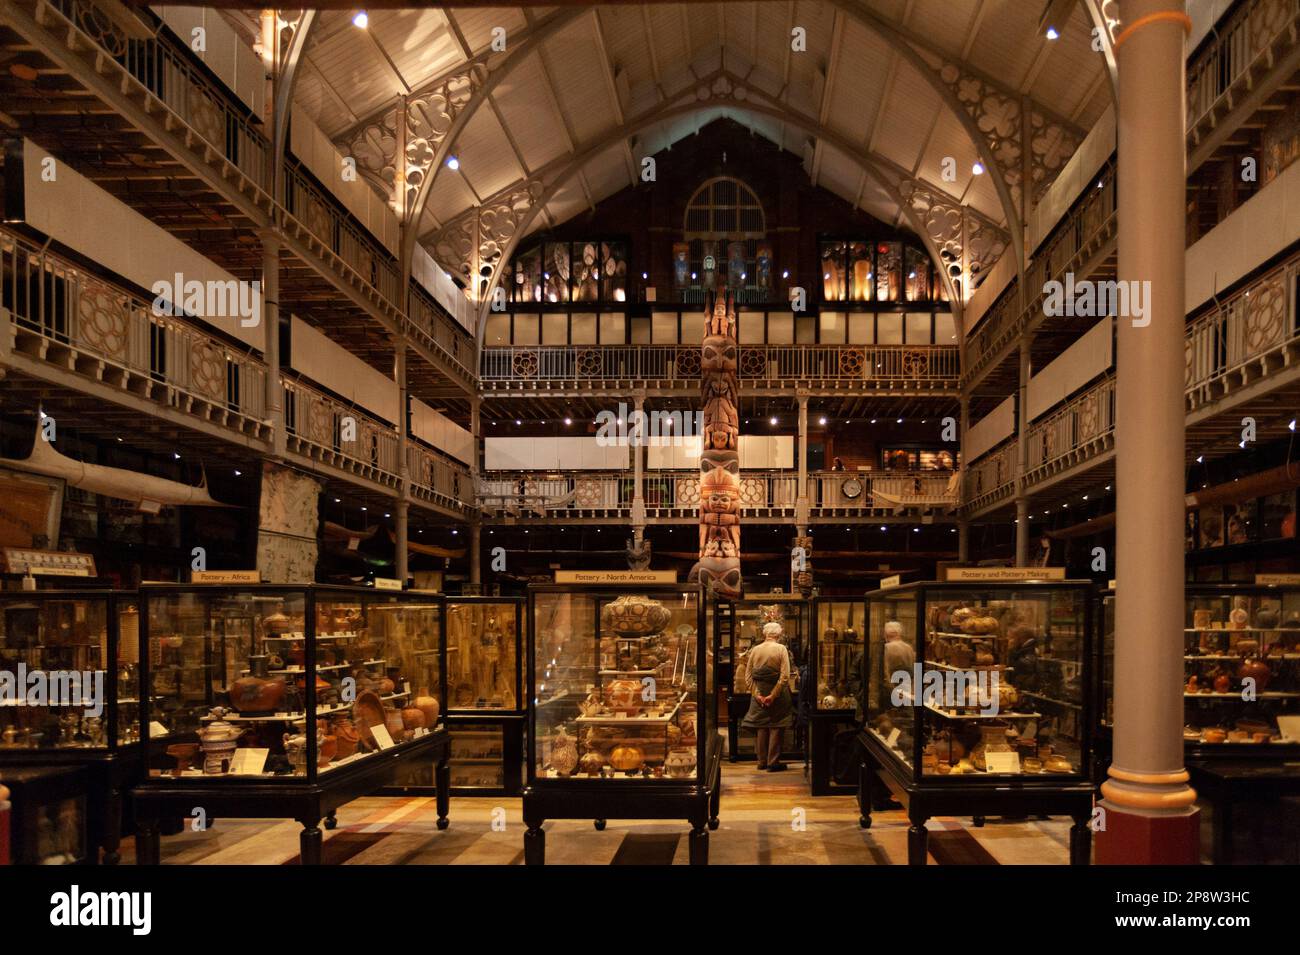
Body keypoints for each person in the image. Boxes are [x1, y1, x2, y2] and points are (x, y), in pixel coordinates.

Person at [741, 621, 794, 771]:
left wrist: (757, 695)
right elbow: (785, 676)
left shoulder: (755, 650)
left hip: (758, 692)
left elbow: (748, 676)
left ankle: (761, 761)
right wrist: (773, 695)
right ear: (778, 634)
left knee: (761, 727)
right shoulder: (781, 649)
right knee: (777, 726)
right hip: (778, 695)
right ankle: (773, 763)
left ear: (765, 633)